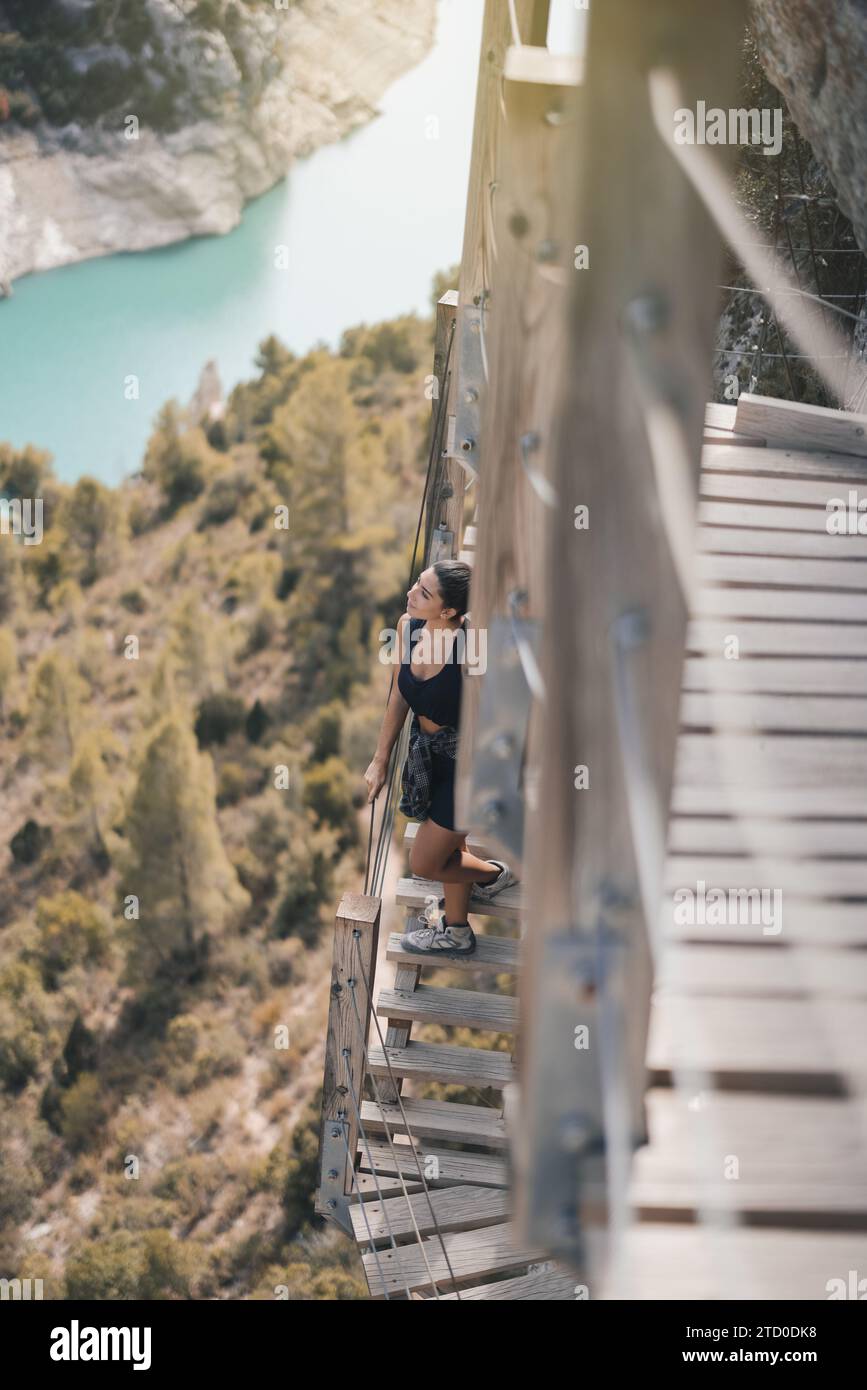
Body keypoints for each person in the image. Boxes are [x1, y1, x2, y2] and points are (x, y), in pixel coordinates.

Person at [363, 559, 517, 957]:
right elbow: (399, 694)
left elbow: (502, 712)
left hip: (470, 766)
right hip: (430, 758)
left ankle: (495, 875)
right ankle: (458, 931)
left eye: (424, 593)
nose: (411, 592)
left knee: (426, 862)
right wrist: (381, 759)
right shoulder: (408, 627)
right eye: (417, 583)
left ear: (449, 611)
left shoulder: (472, 650)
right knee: (450, 852)